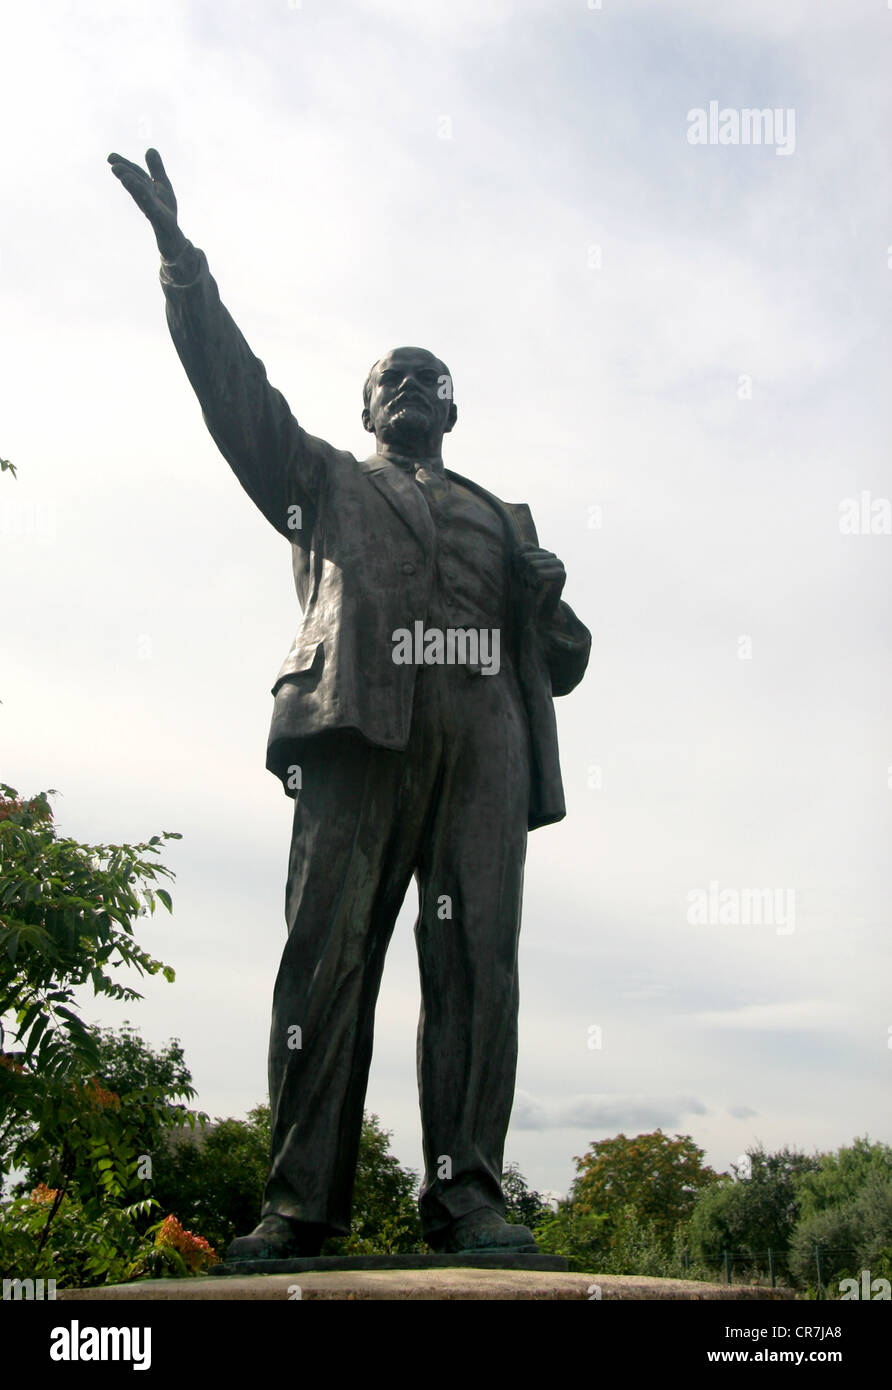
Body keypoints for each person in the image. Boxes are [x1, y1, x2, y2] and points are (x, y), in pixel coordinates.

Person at [109, 149, 591, 1259]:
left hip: (484, 736)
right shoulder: (321, 479)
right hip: (355, 723)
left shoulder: (508, 518)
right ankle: (302, 1204)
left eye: (431, 376)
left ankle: (468, 1195)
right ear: (366, 405)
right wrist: (185, 269)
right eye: (393, 377)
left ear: (456, 407)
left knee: (476, 968)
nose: (413, 386)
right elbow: (236, 395)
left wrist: (548, 603)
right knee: (325, 956)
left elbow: (560, 663)